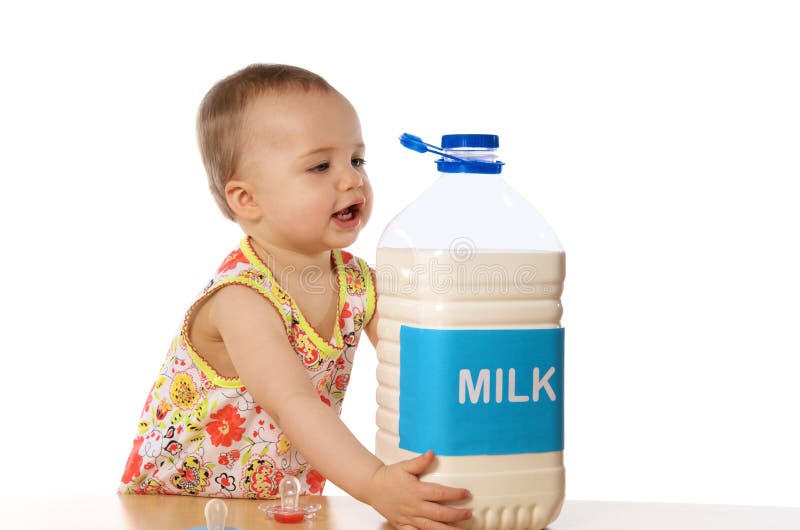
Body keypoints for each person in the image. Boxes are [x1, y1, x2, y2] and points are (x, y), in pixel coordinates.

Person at [118, 63, 472, 529]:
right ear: (247, 200)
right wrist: (375, 483)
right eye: (321, 166)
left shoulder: (360, 284)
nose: (351, 180)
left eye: (357, 160)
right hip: (177, 508)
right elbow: (294, 403)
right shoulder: (242, 298)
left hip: (280, 506)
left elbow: (421, 361)